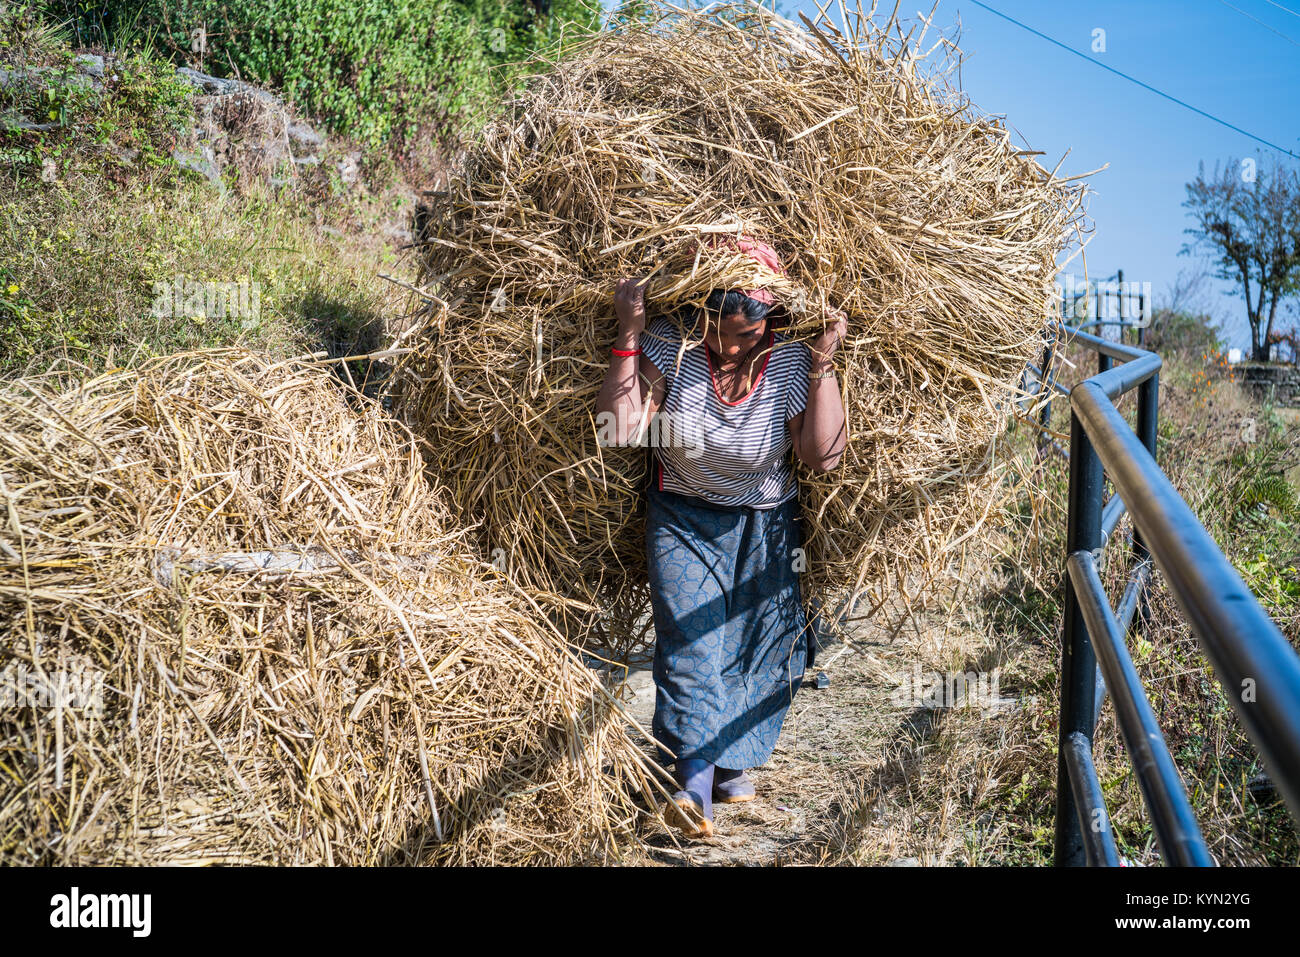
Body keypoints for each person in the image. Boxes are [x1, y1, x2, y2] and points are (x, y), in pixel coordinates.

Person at [594, 236, 847, 838]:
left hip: (765, 521)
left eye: (746, 335)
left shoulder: (790, 362)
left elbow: (823, 457)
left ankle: (731, 762)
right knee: (691, 643)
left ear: (772, 320)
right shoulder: (672, 346)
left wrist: (823, 366)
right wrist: (628, 335)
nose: (731, 346)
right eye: (720, 331)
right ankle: (693, 785)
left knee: (761, 647)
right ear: (700, 313)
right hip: (681, 516)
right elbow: (619, 430)